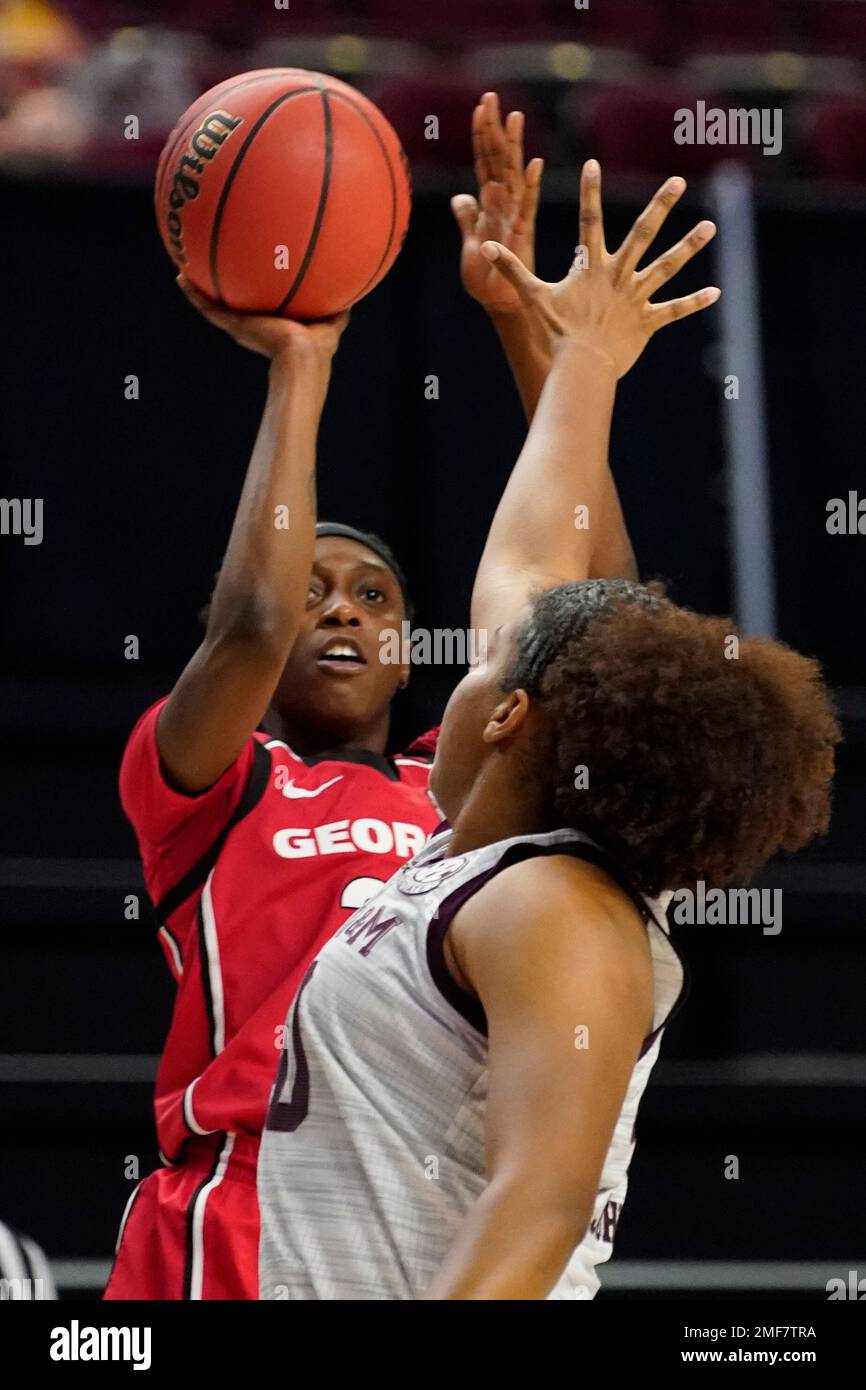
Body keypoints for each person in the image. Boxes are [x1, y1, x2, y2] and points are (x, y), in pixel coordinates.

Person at [104, 97, 707, 1300]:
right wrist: (304, 361)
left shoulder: (472, 786)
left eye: (374, 594)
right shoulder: (220, 786)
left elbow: (603, 637)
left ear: (412, 649)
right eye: (315, 584)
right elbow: (256, 618)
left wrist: (540, 340)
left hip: (424, 1215)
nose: (338, 610)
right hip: (229, 1222)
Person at [256, 161, 840, 1301]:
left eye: (486, 666)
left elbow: (539, 1199)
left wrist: (578, 357)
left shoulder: (557, 912)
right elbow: (540, 563)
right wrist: (565, 349)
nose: (464, 663)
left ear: (513, 717)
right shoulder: (498, 857)